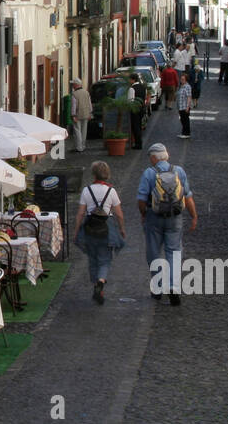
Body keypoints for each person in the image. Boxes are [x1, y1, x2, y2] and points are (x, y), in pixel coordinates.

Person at [136, 144, 197, 305]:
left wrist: (144, 214)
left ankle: (157, 287)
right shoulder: (179, 171)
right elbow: (188, 196)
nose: (150, 160)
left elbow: (141, 199)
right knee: (174, 252)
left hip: (153, 217)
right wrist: (194, 216)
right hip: (175, 218)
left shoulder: (149, 173)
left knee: (154, 253)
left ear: (155, 157)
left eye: (151, 157)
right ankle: (173, 287)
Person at [73, 160, 128, 304]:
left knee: (92, 259)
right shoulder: (111, 191)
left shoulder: (86, 190)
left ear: (94, 174)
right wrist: (122, 229)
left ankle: (96, 286)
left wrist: (76, 230)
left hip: (90, 226)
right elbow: (119, 214)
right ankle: (101, 282)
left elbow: (80, 213)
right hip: (106, 227)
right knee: (105, 259)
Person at [70, 78, 92, 153]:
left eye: (73, 84)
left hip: (77, 114)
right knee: (84, 130)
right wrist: (90, 113)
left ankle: (79, 147)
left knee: (77, 130)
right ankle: (83, 145)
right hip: (86, 114)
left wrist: (73, 115)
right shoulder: (86, 92)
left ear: (76, 85)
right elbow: (89, 104)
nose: (72, 86)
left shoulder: (74, 94)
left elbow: (74, 106)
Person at [128, 71, 147, 149]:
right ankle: (139, 142)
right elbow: (144, 98)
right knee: (139, 125)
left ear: (133, 80)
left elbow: (130, 101)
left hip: (134, 110)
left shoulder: (132, 89)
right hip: (141, 108)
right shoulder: (143, 87)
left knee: (135, 127)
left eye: (130, 79)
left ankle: (138, 144)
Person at [175, 72, 192, 138]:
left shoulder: (187, 87)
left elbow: (189, 97)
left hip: (184, 106)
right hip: (180, 106)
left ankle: (187, 133)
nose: (181, 80)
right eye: (181, 79)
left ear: (186, 80)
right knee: (182, 119)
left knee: (185, 120)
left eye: (183, 79)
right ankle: (183, 132)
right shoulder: (181, 86)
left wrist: (188, 107)